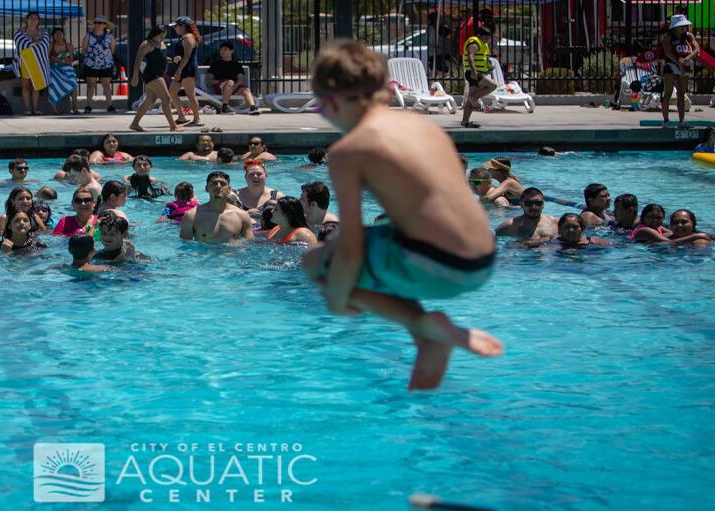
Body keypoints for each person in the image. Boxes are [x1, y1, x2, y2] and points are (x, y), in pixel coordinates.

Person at [300, 40, 502, 391]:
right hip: (483, 261)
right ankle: (426, 337)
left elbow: (349, 248)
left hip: (439, 266)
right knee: (385, 246)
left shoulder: (349, 150)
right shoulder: (424, 127)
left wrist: (336, 295)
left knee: (317, 262)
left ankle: (424, 327)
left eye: (320, 110)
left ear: (332, 102)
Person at [129, 25, 183, 132]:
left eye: (164, 36)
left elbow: (161, 57)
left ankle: (134, 124)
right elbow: (137, 60)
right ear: (154, 34)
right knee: (166, 98)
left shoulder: (161, 43)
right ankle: (173, 126)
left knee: (150, 100)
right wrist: (135, 76)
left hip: (160, 74)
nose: (162, 38)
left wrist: (172, 60)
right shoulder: (146, 44)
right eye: (160, 36)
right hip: (152, 75)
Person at [180, 171, 253, 243]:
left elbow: (248, 244)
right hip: (204, 254)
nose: (218, 186)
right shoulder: (191, 215)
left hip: (230, 254)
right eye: (214, 183)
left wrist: (239, 245)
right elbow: (185, 247)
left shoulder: (242, 216)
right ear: (206, 188)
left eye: (223, 184)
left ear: (229, 189)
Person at [660, 15, 700, 129]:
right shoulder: (669, 36)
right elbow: (667, 52)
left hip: (684, 65)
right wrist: (678, 62)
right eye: (680, 26)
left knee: (681, 93)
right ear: (674, 27)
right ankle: (666, 121)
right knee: (667, 93)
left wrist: (687, 58)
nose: (683, 28)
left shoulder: (688, 36)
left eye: (684, 25)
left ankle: (682, 121)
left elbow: (697, 48)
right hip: (671, 65)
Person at [167, 17, 203, 126]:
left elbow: (187, 57)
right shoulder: (184, 37)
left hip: (187, 69)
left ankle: (197, 119)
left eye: (176, 26)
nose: (175, 28)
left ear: (183, 26)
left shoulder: (188, 38)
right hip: (183, 69)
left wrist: (178, 71)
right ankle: (181, 117)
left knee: (190, 95)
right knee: (172, 92)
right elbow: (181, 56)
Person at [206, 41, 260, 115]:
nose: (222, 51)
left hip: (234, 87)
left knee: (246, 90)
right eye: (221, 49)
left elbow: (240, 80)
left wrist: (233, 88)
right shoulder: (216, 64)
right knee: (230, 82)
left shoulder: (236, 64)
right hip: (221, 87)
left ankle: (252, 108)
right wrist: (220, 82)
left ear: (231, 51)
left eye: (225, 49)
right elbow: (209, 80)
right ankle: (224, 108)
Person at [14, 11, 51, 116]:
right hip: (25, 61)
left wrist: (32, 45)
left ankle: (35, 109)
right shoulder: (20, 31)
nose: (33, 20)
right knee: (25, 86)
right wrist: (33, 43)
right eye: (31, 18)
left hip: (39, 62)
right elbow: (20, 44)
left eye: (36, 18)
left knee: (36, 86)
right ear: (27, 19)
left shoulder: (43, 32)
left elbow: (45, 46)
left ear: (38, 21)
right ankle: (27, 109)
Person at [461, 27, 497, 129]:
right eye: (486, 37)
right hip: (474, 73)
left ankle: (465, 121)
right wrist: (473, 71)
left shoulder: (483, 45)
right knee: (493, 85)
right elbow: (470, 56)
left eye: (489, 37)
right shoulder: (474, 43)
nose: (487, 39)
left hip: (479, 73)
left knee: (470, 102)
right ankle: (474, 99)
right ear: (479, 36)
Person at [81, 16, 117, 113]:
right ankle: (88, 105)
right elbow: (84, 49)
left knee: (106, 85)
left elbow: (112, 50)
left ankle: (110, 105)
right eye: (96, 22)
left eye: (100, 23)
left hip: (106, 64)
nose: (97, 24)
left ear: (105, 25)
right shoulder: (88, 36)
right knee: (90, 85)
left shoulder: (110, 36)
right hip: (91, 64)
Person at [48, 27, 80, 115]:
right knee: (53, 82)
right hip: (54, 68)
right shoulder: (51, 45)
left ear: (63, 35)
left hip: (67, 68)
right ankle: (55, 109)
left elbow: (70, 60)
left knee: (73, 83)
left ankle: (75, 107)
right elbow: (47, 59)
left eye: (60, 33)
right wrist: (59, 59)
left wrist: (58, 58)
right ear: (53, 36)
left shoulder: (69, 45)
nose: (58, 35)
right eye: (56, 34)